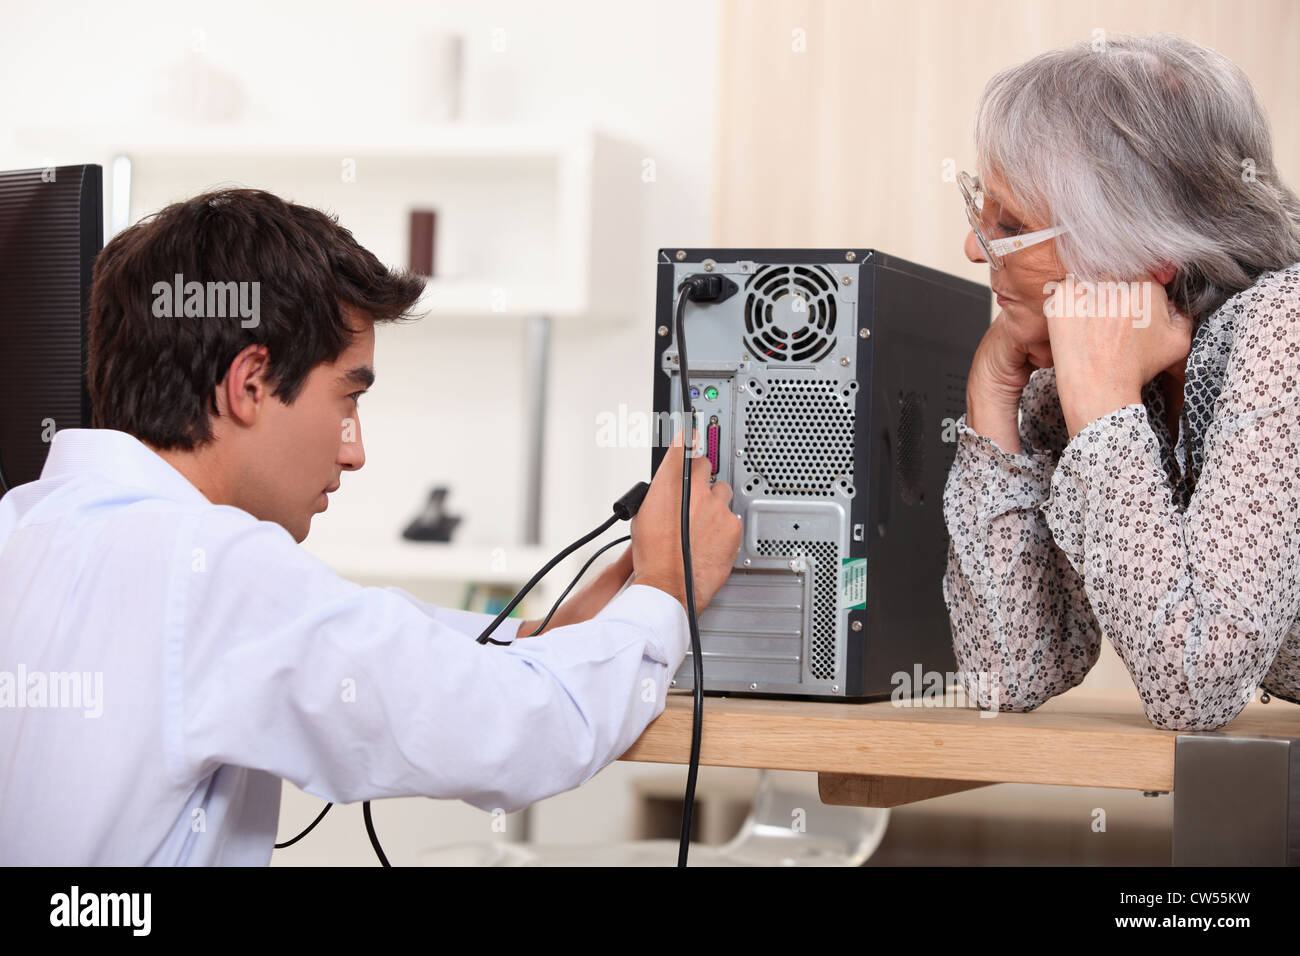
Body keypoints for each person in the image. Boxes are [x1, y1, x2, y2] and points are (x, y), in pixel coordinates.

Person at [0, 187, 742, 864]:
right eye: (347, 400)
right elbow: (519, 733)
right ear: (249, 384)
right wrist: (667, 593)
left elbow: (382, 643)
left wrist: (550, 638)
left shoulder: (27, 525)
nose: (354, 450)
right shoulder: (209, 569)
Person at [942, 33, 1300, 731]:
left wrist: (1104, 410)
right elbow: (1006, 674)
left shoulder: (1287, 329)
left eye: (1009, 225)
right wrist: (991, 400)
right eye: (979, 211)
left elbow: (1196, 689)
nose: (972, 249)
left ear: (1148, 247)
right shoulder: (1074, 373)